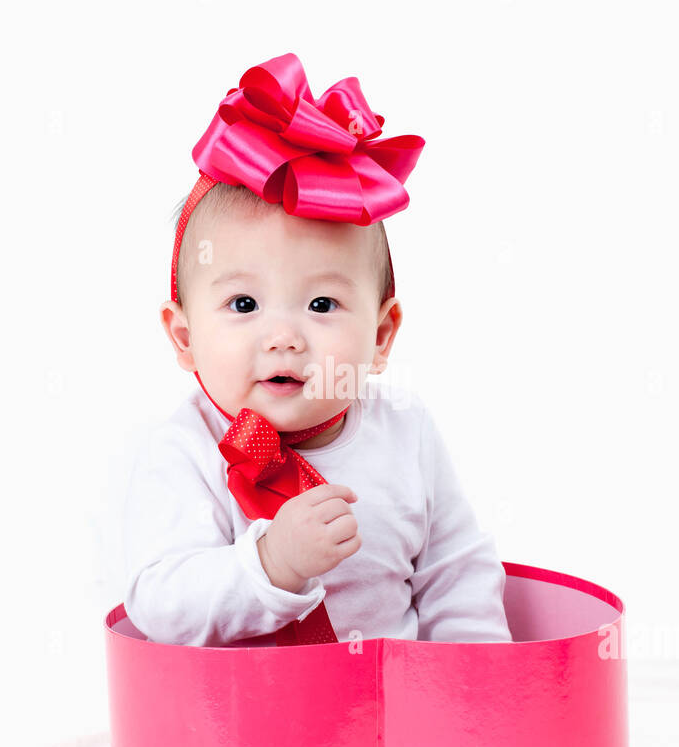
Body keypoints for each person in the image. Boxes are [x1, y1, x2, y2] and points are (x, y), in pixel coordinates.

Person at [122, 52, 513, 648]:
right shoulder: (184, 451)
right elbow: (159, 604)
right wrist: (273, 563)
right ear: (184, 338)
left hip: (399, 718)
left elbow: (455, 573)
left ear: (381, 337)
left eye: (323, 305)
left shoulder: (406, 432)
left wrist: (474, 681)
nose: (284, 338)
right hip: (246, 729)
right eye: (244, 305)